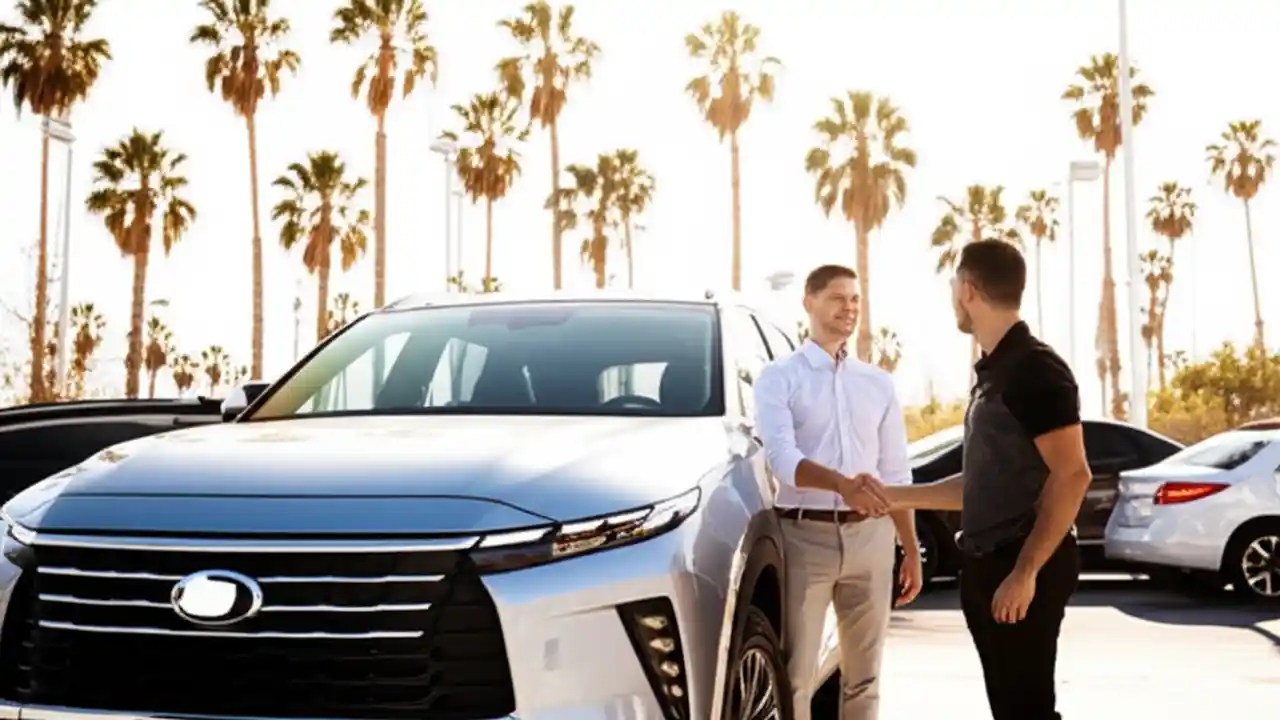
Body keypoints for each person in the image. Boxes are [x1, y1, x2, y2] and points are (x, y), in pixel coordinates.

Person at [883, 240, 1090, 720]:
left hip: (1019, 567)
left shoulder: (1035, 369)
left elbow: (1073, 474)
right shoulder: (995, 371)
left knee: (1027, 711)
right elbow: (978, 486)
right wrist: (890, 495)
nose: (953, 295)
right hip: (985, 566)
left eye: (954, 285)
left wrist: (1025, 572)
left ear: (969, 289)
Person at [754, 264, 923, 720]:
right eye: (837, 298)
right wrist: (842, 485)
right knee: (796, 675)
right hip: (803, 537)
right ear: (809, 302)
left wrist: (909, 547)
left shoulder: (877, 383)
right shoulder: (778, 377)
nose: (848, 308)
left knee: (865, 677)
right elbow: (781, 461)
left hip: (872, 538)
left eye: (855, 300)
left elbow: (896, 474)